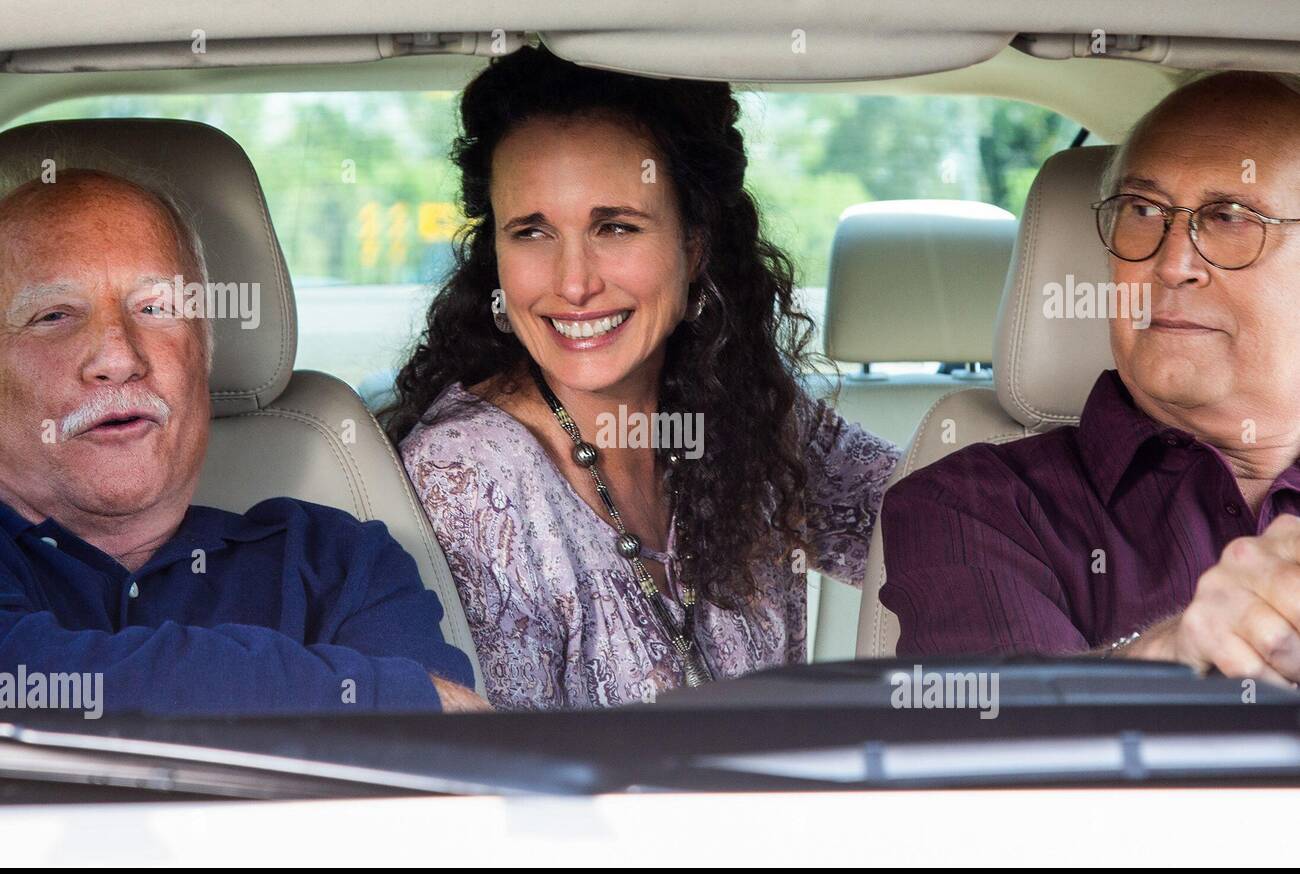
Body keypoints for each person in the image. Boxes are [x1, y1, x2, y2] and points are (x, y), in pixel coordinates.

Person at [389, 44, 898, 710]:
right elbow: (511, 776)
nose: (574, 283)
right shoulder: (467, 480)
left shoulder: (744, 411)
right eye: (532, 233)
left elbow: (945, 524)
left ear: (694, 245)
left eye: (616, 226)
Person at [0, 167, 487, 715]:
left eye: (156, 308)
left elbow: (429, 767)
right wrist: (384, 692)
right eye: (54, 315)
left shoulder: (339, 563)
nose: (119, 358)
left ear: (204, 349)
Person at [880, 71, 1300, 687]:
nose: (1171, 263)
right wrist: (1171, 654)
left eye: (1231, 216)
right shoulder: (975, 502)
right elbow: (993, 733)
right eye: (1142, 210)